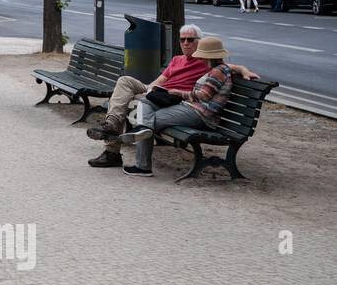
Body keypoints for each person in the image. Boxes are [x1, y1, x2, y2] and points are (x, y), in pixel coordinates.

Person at [86, 24, 258, 167]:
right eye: (182, 39)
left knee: (126, 107)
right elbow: (161, 79)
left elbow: (229, 67)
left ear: (200, 42)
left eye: (190, 39)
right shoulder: (177, 59)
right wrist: (150, 90)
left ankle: (112, 152)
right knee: (125, 81)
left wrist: (244, 70)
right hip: (158, 92)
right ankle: (111, 125)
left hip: (172, 99)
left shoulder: (206, 61)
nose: (186, 43)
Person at [119, 36, 237, 176]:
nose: (201, 59)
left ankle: (143, 166)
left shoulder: (218, 71)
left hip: (202, 115)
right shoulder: (219, 69)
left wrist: (180, 93)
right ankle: (142, 162)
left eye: (203, 55)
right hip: (192, 109)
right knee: (146, 110)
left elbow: (204, 95)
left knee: (146, 122)